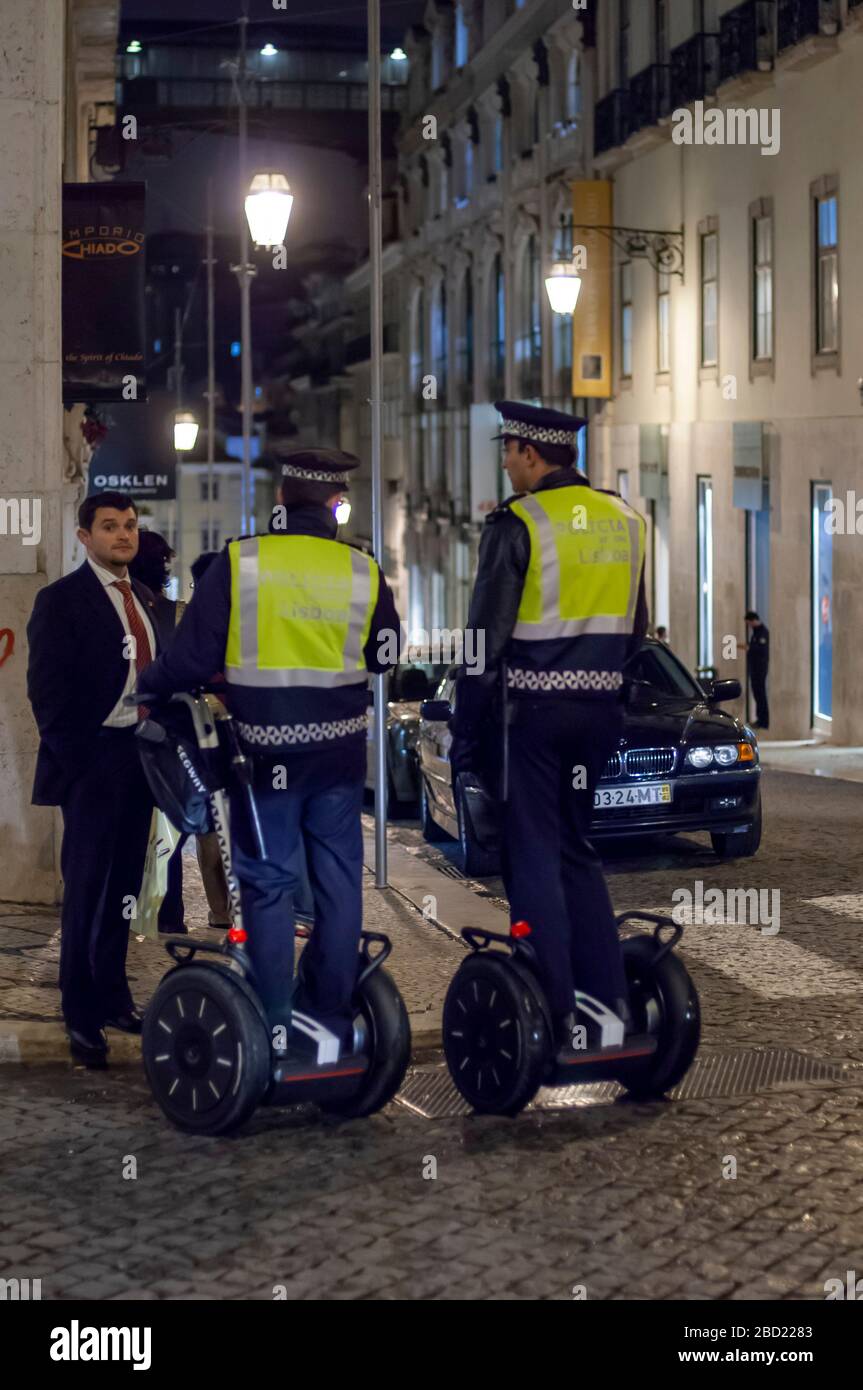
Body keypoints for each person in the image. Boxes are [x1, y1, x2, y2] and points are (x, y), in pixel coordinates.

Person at [140, 447, 401, 1049]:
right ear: (336, 504)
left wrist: (145, 689)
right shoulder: (361, 568)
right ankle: (331, 1018)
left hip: (263, 758)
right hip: (339, 757)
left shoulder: (241, 562)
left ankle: (274, 1021)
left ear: (281, 499)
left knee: (268, 884)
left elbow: (192, 660)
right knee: (338, 885)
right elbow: (385, 654)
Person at [449, 402, 648, 1051]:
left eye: (508, 451)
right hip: (598, 715)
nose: (505, 462)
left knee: (530, 853)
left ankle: (553, 1010)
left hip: (530, 716)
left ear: (531, 454)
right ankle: (610, 1008)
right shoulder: (625, 519)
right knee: (576, 852)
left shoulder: (517, 523)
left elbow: (484, 638)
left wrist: (465, 727)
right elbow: (635, 630)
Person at [26, 491, 160, 1066]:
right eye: (109, 527)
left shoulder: (150, 601)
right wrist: (79, 764)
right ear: (84, 536)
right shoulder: (61, 601)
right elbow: (46, 692)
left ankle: (113, 994)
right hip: (92, 761)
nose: (123, 535)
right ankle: (79, 1011)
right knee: (86, 890)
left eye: (129, 526)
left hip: (141, 761)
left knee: (127, 887)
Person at [130, 530, 188, 933]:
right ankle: (169, 916)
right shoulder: (179, 616)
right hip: (169, 740)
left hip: (125, 735)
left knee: (129, 833)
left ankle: (134, 913)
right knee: (169, 834)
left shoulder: (118, 610)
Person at [744, 610, 769, 730]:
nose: (749, 626)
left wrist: (750, 648)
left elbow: (761, 649)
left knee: (760, 694)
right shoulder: (755, 633)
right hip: (754, 668)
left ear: (753, 620)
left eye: (749, 623)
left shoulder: (763, 632)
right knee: (756, 693)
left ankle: (764, 721)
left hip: (760, 668)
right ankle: (760, 719)